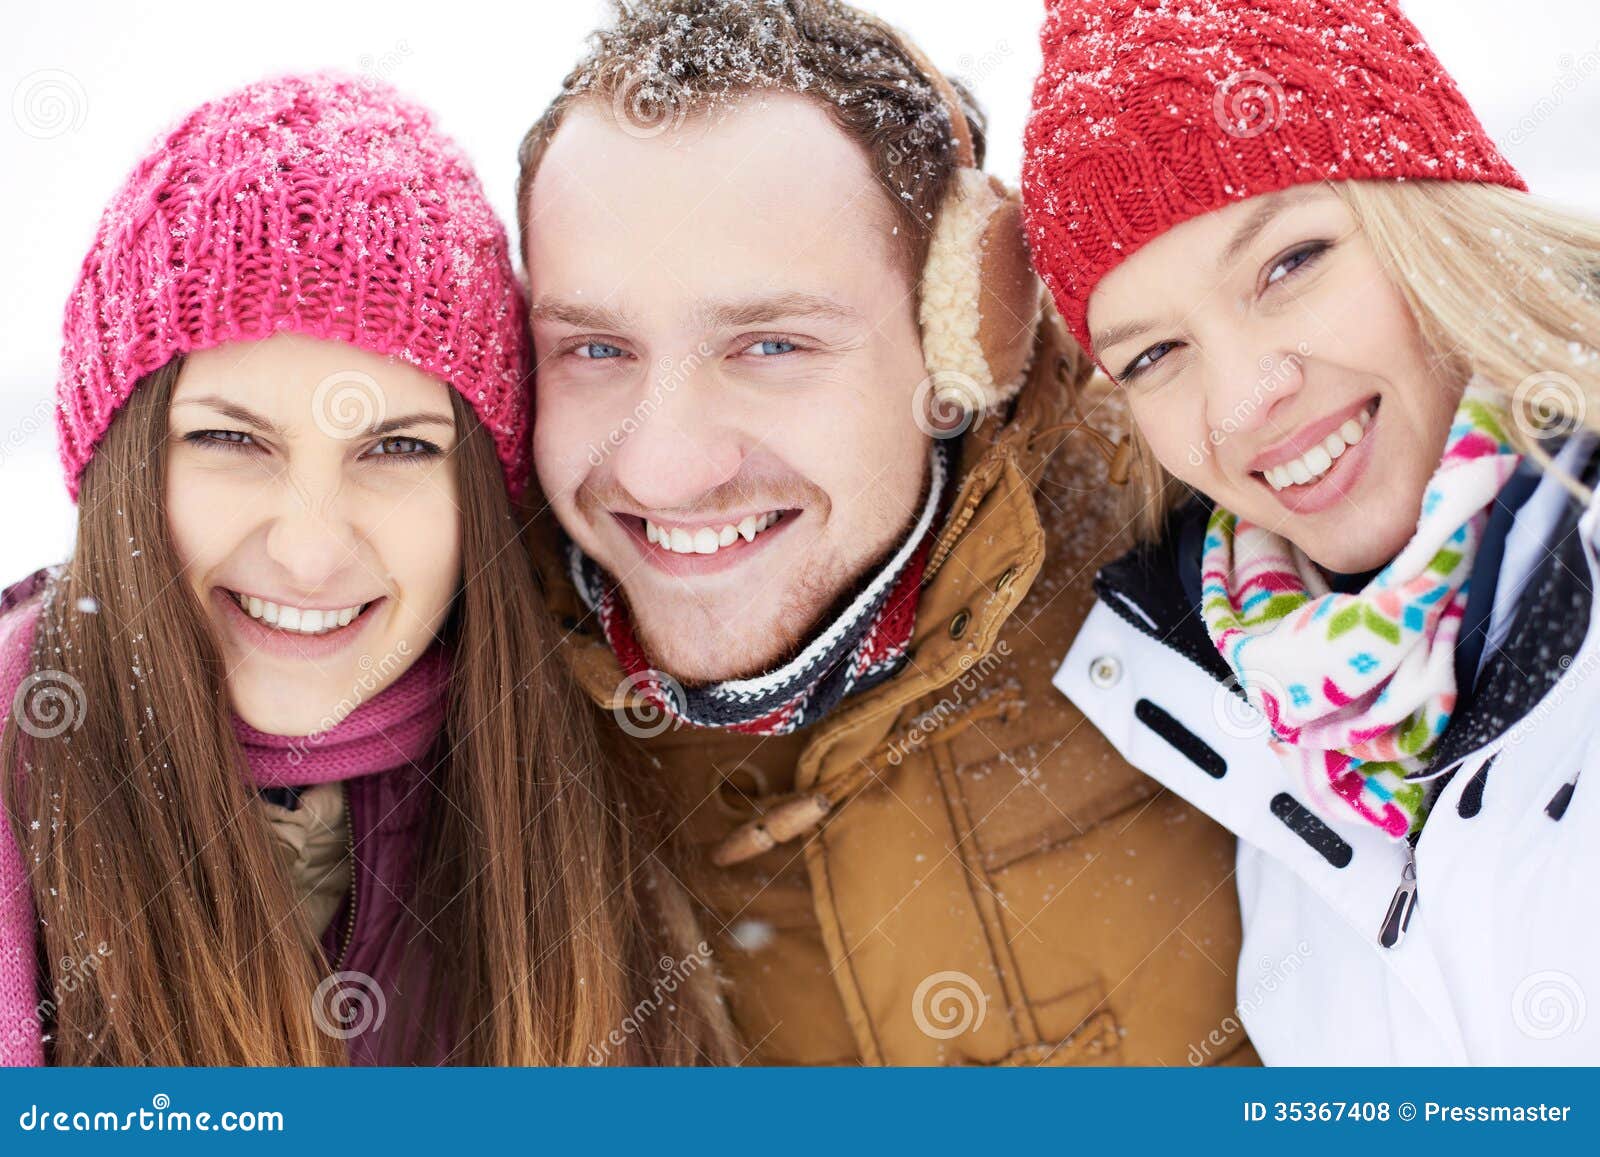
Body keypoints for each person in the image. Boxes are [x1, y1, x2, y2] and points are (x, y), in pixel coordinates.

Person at [518, 0, 1250, 1065]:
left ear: (966, 332)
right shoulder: (479, 706)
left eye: (769, 345)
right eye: (593, 350)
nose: (660, 466)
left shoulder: (1221, 549)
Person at [0, 74, 734, 1066]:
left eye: (396, 450)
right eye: (228, 438)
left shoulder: (596, 785)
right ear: (122, 461)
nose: (309, 549)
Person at [1025, 0, 1600, 1062]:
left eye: (1289, 264)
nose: (1242, 399)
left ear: (1432, 215)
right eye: (1151, 354)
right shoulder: (1245, 719)